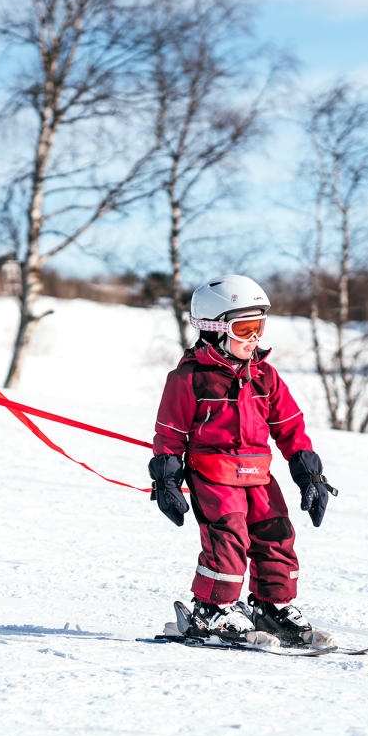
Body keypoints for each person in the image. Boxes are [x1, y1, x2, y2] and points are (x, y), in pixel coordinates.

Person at [147, 275, 336, 645]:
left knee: (277, 535)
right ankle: (212, 608)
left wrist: (309, 474)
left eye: (259, 327)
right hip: (213, 475)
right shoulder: (190, 379)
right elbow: (169, 434)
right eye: (244, 328)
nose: (254, 338)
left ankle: (272, 606)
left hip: (259, 475)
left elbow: (290, 427)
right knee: (228, 537)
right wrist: (167, 480)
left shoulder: (265, 376)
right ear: (214, 329)